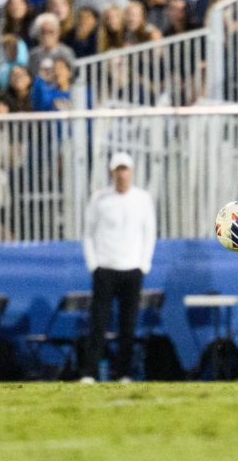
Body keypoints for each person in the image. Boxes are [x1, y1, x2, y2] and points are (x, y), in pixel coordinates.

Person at [80, 152, 156, 383]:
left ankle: (124, 372)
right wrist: (94, 264)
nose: (122, 174)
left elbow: (149, 232)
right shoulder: (99, 198)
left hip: (131, 268)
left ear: (131, 171)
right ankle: (90, 372)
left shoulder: (143, 199)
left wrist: (143, 264)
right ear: (112, 172)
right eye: (118, 170)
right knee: (98, 324)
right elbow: (88, 233)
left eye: (125, 169)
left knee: (128, 325)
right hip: (105, 268)